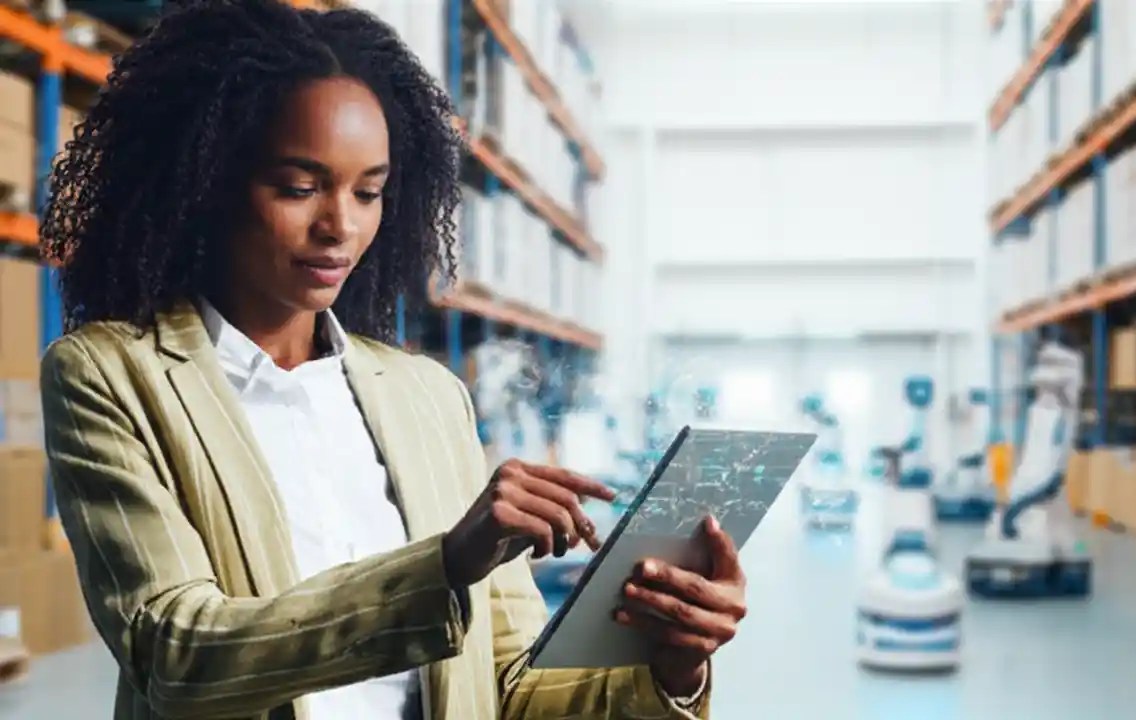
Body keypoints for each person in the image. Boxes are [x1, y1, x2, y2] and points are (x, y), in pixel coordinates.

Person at [38, 1, 748, 718]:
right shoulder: (111, 375)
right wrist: (443, 568)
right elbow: (174, 653)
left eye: (368, 192)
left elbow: (510, 688)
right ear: (206, 180)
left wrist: (673, 667)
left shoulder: (428, 397)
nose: (340, 226)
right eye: (298, 187)